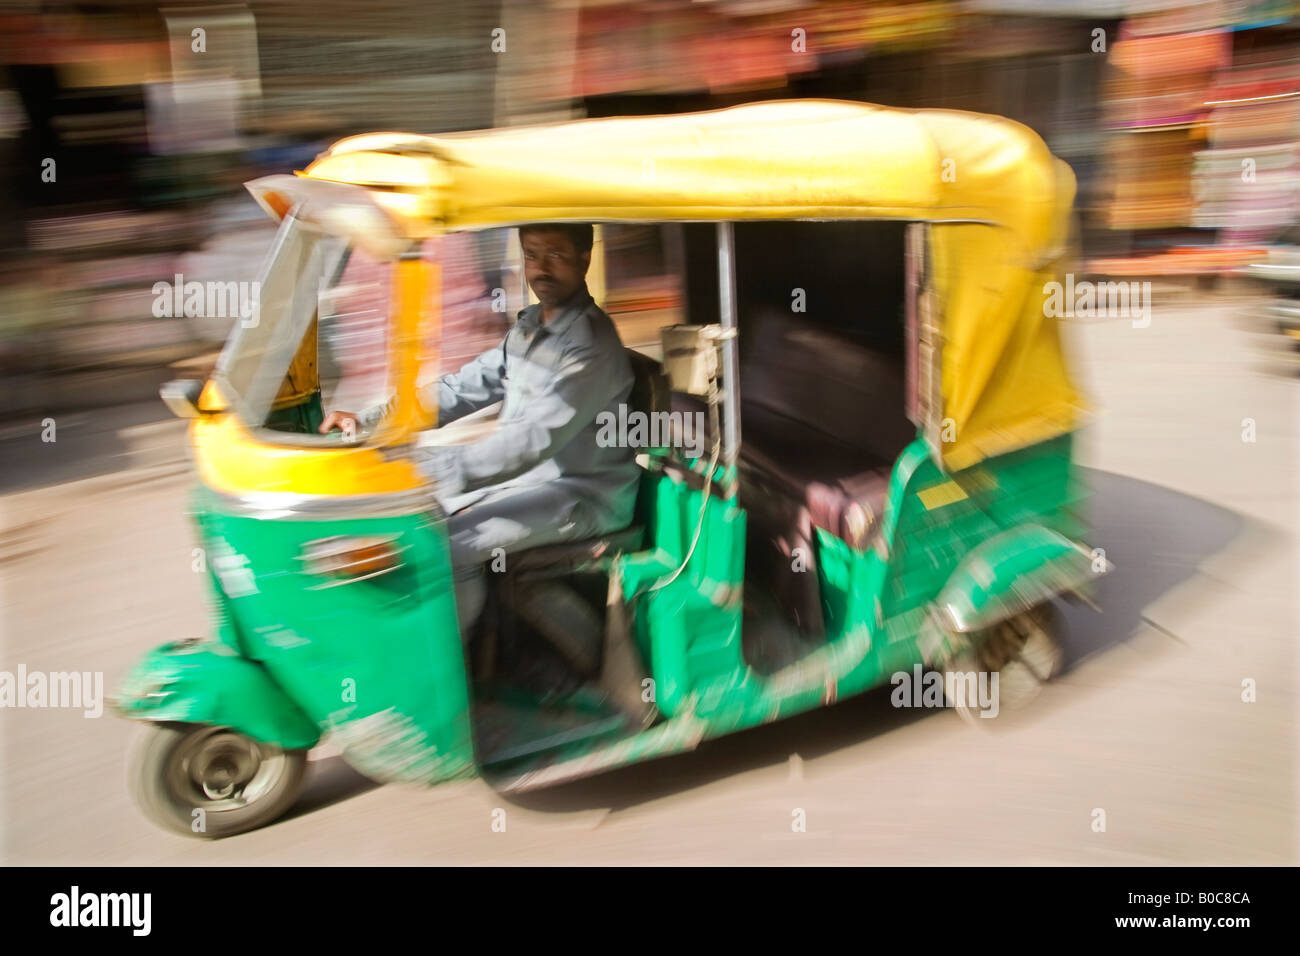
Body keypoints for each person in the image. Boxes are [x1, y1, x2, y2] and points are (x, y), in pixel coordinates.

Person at [320, 223, 640, 652]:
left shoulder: (591, 346)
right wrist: (372, 421)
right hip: (527, 481)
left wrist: (423, 468)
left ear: (585, 258)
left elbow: (528, 444)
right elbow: (459, 389)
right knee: (419, 518)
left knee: (450, 545)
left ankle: (448, 669)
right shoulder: (531, 327)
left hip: (583, 496)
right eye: (532, 254)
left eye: (557, 256)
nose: (541, 268)